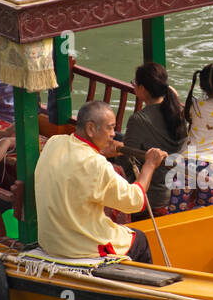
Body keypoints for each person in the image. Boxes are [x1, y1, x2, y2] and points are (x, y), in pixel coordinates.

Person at [35, 100, 166, 262]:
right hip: (77, 247)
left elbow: (79, 163)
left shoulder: (55, 142)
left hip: (51, 241)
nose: (113, 134)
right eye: (109, 127)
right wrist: (150, 165)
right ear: (90, 128)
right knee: (139, 240)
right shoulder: (97, 164)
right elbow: (135, 201)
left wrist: (101, 151)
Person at [169, 62, 213, 213]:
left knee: (176, 208)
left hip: (186, 163)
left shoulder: (195, 106)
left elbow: (187, 113)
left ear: (201, 87)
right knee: (204, 209)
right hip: (211, 167)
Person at [119, 63, 187, 219]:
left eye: (134, 84)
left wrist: (116, 149)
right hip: (175, 193)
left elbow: (126, 162)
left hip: (150, 200)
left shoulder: (139, 120)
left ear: (142, 89)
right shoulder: (178, 112)